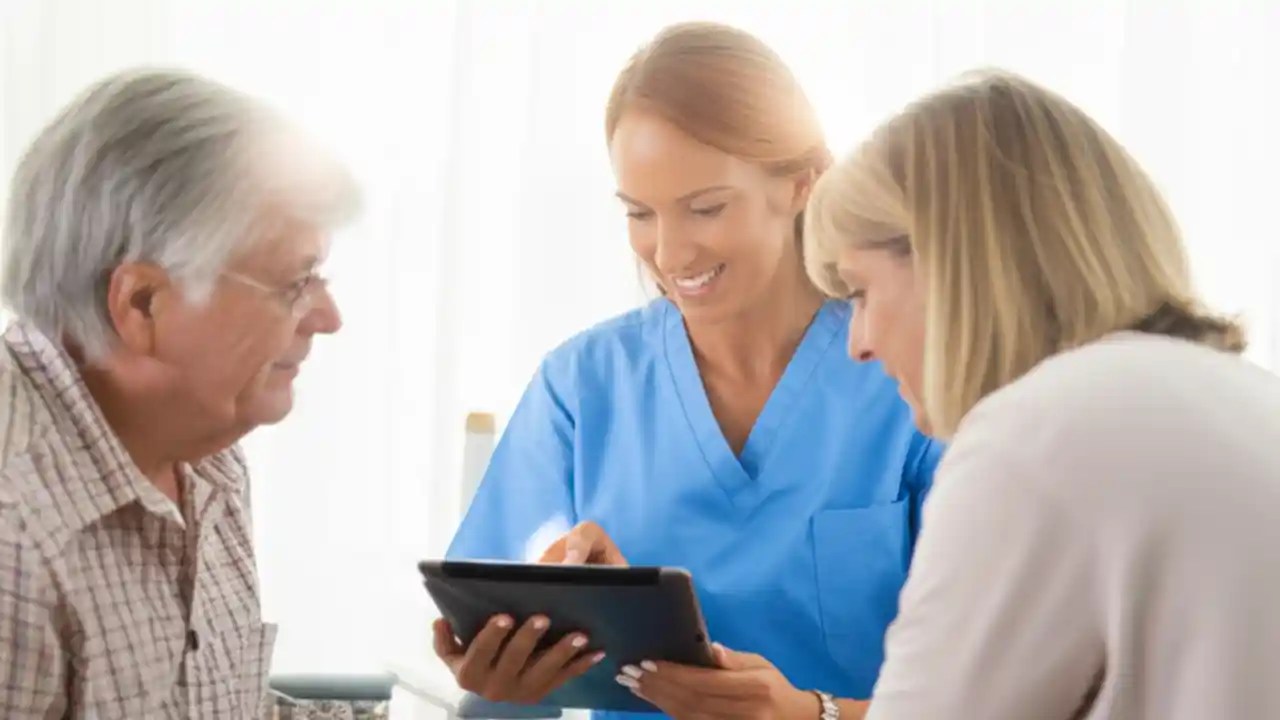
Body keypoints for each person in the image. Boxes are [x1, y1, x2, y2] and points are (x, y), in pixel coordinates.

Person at [436, 22, 941, 720]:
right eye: (639, 213)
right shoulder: (584, 385)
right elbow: (489, 655)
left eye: (706, 208)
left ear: (802, 184)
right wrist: (532, 648)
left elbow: (1006, 693)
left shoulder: (910, 377)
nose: (668, 254)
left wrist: (808, 715)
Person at [802, 69, 1280, 719]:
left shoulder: (1034, 436)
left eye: (860, 292)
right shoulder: (1246, 397)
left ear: (953, 264)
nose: (857, 343)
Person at [0, 68, 359, 717]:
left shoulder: (204, 451)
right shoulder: (13, 530)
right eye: (294, 283)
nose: (328, 317)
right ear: (142, 303)